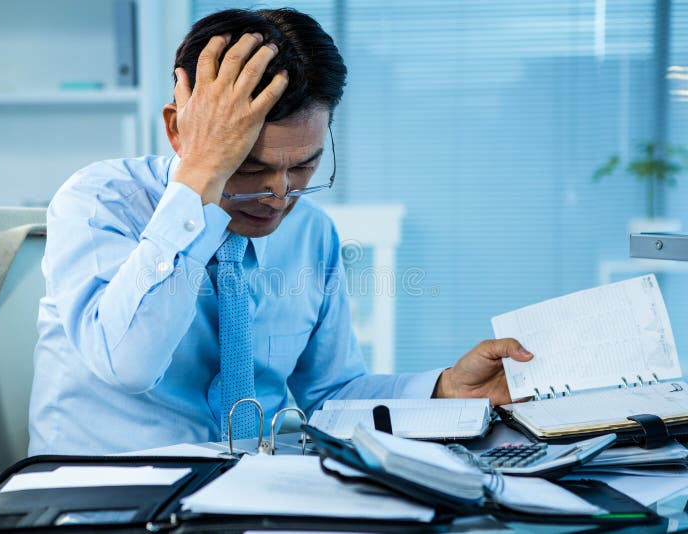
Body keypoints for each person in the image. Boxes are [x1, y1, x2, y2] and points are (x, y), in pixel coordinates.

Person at [28, 7, 532, 455]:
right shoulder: (96, 204)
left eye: (305, 167)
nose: (278, 195)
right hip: (103, 499)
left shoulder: (311, 233)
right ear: (179, 130)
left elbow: (333, 397)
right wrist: (202, 174)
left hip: (254, 498)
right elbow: (129, 364)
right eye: (247, 167)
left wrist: (444, 391)